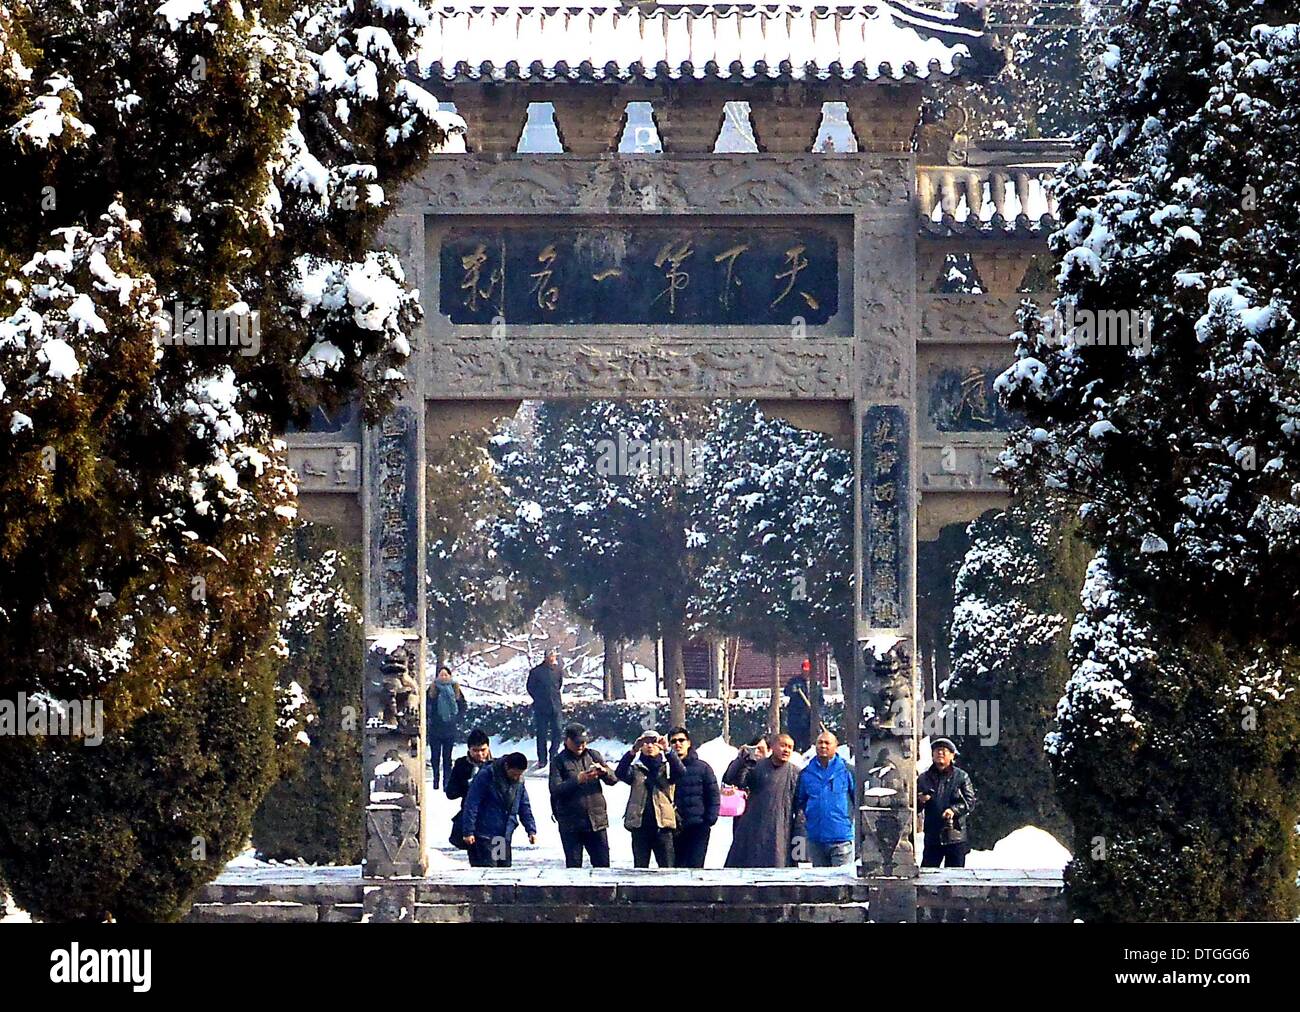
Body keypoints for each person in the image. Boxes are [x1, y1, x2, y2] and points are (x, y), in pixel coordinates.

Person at [723, 731, 801, 868]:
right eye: (783, 745)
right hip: (751, 829)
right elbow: (732, 779)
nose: (786, 750)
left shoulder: (796, 773)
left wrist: (800, 852)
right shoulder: (756, 767)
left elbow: (801, 812)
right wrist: (741, 760)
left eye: (790, 747)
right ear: (773, 747)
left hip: (781, 832)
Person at [549, 722, 618, 868]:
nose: (581, 746)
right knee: (574, 867)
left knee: (603, 865)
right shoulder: (559, 761)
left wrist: (604, 772)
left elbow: (613, 780)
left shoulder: (593, 755)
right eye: (576, 742)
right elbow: (555, 789)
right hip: (571, 824)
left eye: (583, 742)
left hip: (596, 821)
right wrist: (577, 780)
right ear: (567, 741)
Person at [616, 730, 683, 869]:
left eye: (653, 742)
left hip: (663, 827)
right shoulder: (636, 769)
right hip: (640, 827)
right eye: (645, 743)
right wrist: (632, 751)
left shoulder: (667, 767)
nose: (649, 746)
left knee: (667, 869)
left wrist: (668, 750)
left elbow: (681, 772)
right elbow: (620, 773)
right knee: (640, 868)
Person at [462, 752, 538, 868]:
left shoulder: (519, 782)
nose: (516, 777)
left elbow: (524, 805)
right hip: (484, 834)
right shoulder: (487, 775)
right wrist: (468, 831)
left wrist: (531, 829)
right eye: (514, 774)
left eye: (519, 774)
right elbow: (472, 803)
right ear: (507, 766)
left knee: (502, 871)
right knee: (488, 871)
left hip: (503, 835)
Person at [795, 731, 855, 867]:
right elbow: (801, 801)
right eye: (820, 742)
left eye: (827, 743)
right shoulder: (806, 773)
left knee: (841, 883)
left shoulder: (847, 771)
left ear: (836, 746)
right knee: (820, 885)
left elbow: (857, 799)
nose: (823, 746)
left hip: (841, 838)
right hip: (816, 839)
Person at [916, 738, 976, 868]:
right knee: (928, 874)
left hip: (955, 835)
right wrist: (920, 801)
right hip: (933, 835)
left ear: (952, 756)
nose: (940, 754)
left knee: (955, 876)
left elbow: (970, 801)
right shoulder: (923, 778)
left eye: (944, 751)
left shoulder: (961, 776)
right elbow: (914, 807)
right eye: (937, 751)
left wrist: (954, 810)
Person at [667, 726, 719, 868]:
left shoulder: (703, 768)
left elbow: (713, 794)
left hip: (698, 825)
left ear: (689, 743)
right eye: (673, 741)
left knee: (696, 867)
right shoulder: (665, 768)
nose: (678, 744)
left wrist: (709, 819)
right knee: (675, 867)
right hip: (674, 827)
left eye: (681, 740)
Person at [446, 728, 492, 851]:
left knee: (499, 858)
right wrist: (468, 786)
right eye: (475, 751)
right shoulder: (462, 765)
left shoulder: (496, 765)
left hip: (493, 818)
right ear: (469, 750)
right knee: (476, 857)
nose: (480, 754)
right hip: (470, 817)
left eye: (483, 750)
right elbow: (450, 792)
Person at [427, 665, 467, 789]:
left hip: (450, 728)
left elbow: (462, 706)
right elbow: (426, 705)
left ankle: (446, 781)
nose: (443, 677)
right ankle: (435, 779)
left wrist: (457, 719)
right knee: (435, 756)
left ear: (449, 676)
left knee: (447, 757)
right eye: (441, 674)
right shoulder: (432, 689)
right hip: (435, 728)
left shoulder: (455, 689)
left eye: (446, 674)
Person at [526, 647, 565, 769]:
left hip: (556, 706)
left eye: (553, 656)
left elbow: (559, 684)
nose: (552, 658)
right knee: (541, 734)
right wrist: (539, 698)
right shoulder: (536, 672)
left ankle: (554, 753)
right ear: (546, 657)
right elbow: (530, 687)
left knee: (558, 731)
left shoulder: (558, 670)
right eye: (550, 656)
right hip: (541, 708)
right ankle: (542, 759)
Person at [783, 660, 823, 754]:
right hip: (796, 717)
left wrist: (819, 713)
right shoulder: (795, 681)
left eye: (808, 671)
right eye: (804, 670)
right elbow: (786, 692)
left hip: (810, 718)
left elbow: (821, 701)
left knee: (808, 741)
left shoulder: (816, 684)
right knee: (795, 740)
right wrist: (793, 689)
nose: (806, 673)